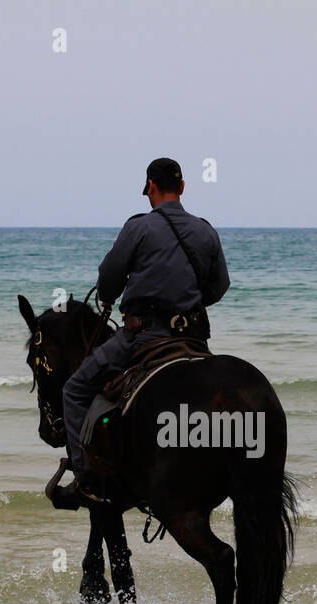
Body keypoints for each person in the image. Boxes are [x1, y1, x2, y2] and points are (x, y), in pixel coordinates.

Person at [49, 157, 231, 509]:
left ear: (150, 187)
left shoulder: (139, 228)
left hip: (143, 338)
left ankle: (85, 481)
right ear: (182, 188)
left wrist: (108, 296)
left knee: (73, 390)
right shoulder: (206, 230)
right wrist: (186, 301)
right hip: (193, 339)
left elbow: (109, 280)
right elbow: (219, 287)